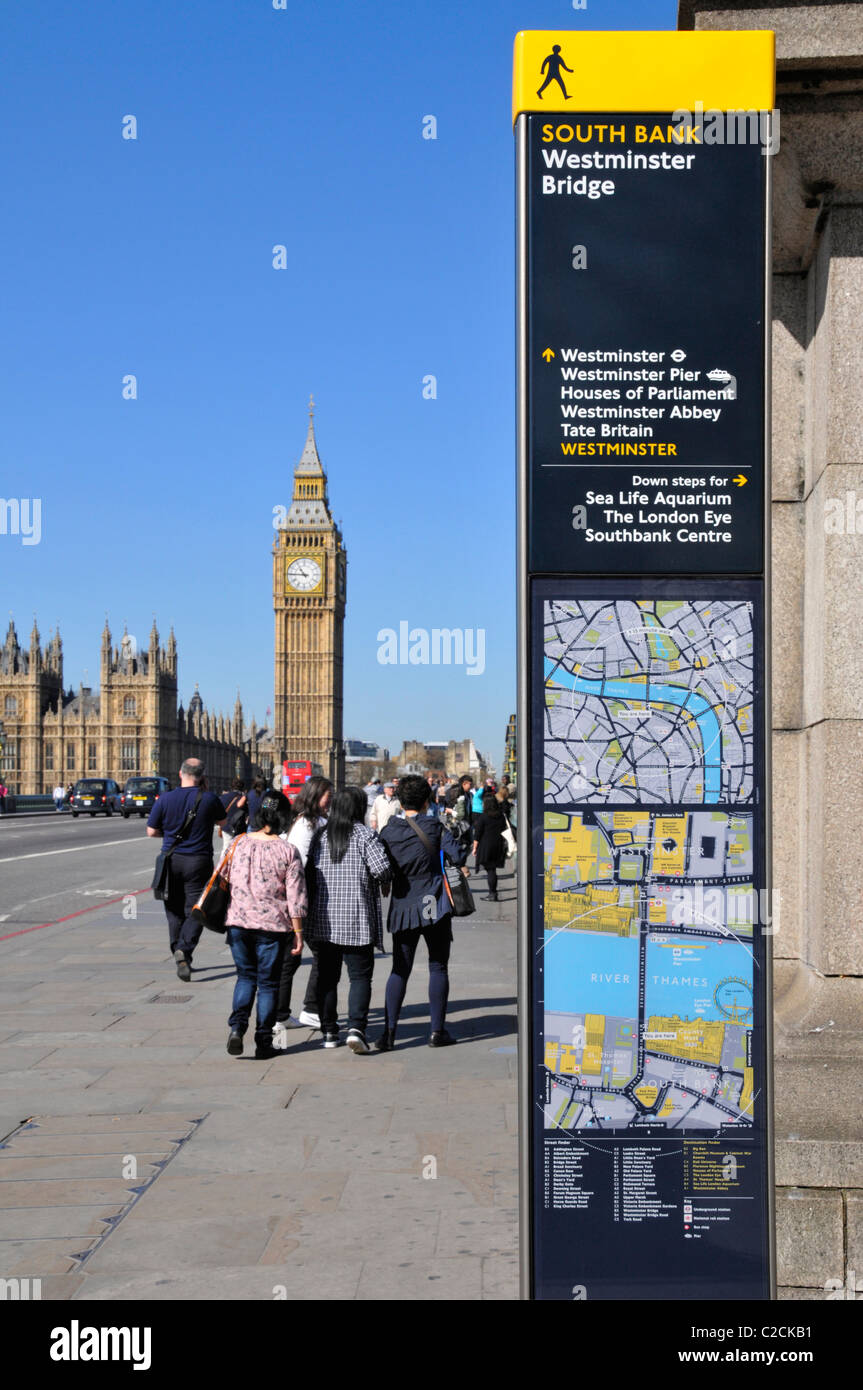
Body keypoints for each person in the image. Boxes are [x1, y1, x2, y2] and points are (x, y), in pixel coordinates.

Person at [377, 774, 469, 1050]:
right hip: (435, 903)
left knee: (399, 969)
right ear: (427, 800)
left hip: (404, 904)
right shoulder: (434, 827)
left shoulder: (388, 831)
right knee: (438, 966)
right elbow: (459, 855)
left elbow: (382, 867)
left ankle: (389, 1033)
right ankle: (436, 1032)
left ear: (400, 800)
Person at [306, 785, 391, 1053]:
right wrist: (384, 882)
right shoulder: (365, 836)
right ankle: (356, 1029)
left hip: (323, 921)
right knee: (360, 978)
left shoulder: (319, 836)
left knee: (328, 978)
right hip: (357, 920)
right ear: (357, 809)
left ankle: (330, 1032)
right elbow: (382, 869)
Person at [224, 790, 306, 1059]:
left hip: (238, 922)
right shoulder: (287, 851)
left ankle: (237, 1028)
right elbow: (295, 897)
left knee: (245, 977)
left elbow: (222, 877)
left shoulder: (238, 843)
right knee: (268, 984)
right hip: (272, 925)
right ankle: (263, 1041)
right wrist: (299, 932)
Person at [146, 758, 226, 980]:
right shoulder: (209, 798)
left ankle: (178, 951)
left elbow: (151, 832)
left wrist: (170, 835)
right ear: (202, 776)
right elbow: (224, 822)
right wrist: (206, 793)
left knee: (172, 909)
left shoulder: (165, 798)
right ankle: (185, 950)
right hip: (198, 861)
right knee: (197, 908)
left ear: (180, 774)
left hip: (171, 860)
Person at [273, 774, 333, 1041]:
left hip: (306, 897)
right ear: (314, 795)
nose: (329, 801)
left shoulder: (312, 820)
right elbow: (298, 863)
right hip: (303, 898)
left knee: (303, 955)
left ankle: (294, 1010)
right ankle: (291, 1011)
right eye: (326, 796)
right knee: (301, 955)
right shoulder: (307, 824)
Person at [472, 791, 508, 902]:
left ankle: (493, 893)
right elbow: (504, 829)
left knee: (490, 870)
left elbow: (477, 835)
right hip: (498, 845)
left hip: (486, 846)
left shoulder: (483, 817)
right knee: (493, 870)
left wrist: (474, 849)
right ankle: (493, 893)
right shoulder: (501, 816)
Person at [219, 778, 247, 852]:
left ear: (231, 787)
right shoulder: (243, 798)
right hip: (240, 827)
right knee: (239, 849)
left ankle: (224, 863)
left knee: (226, 848)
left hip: (226, 826)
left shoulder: (224, 797)